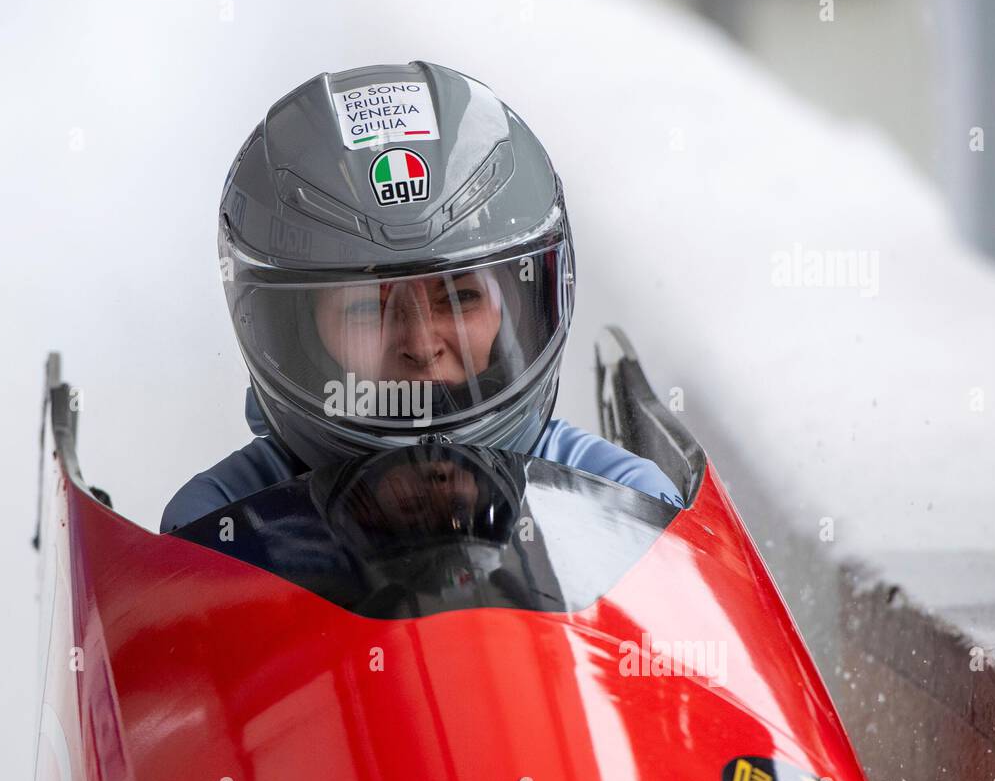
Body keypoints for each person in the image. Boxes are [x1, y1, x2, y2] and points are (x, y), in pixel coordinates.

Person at [162, 60, 681, 533]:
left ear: (522, 307)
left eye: (460, 298)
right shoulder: (215, 524)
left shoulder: (633, 503)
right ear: (292, 333)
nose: (420, 344)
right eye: (368, 307)